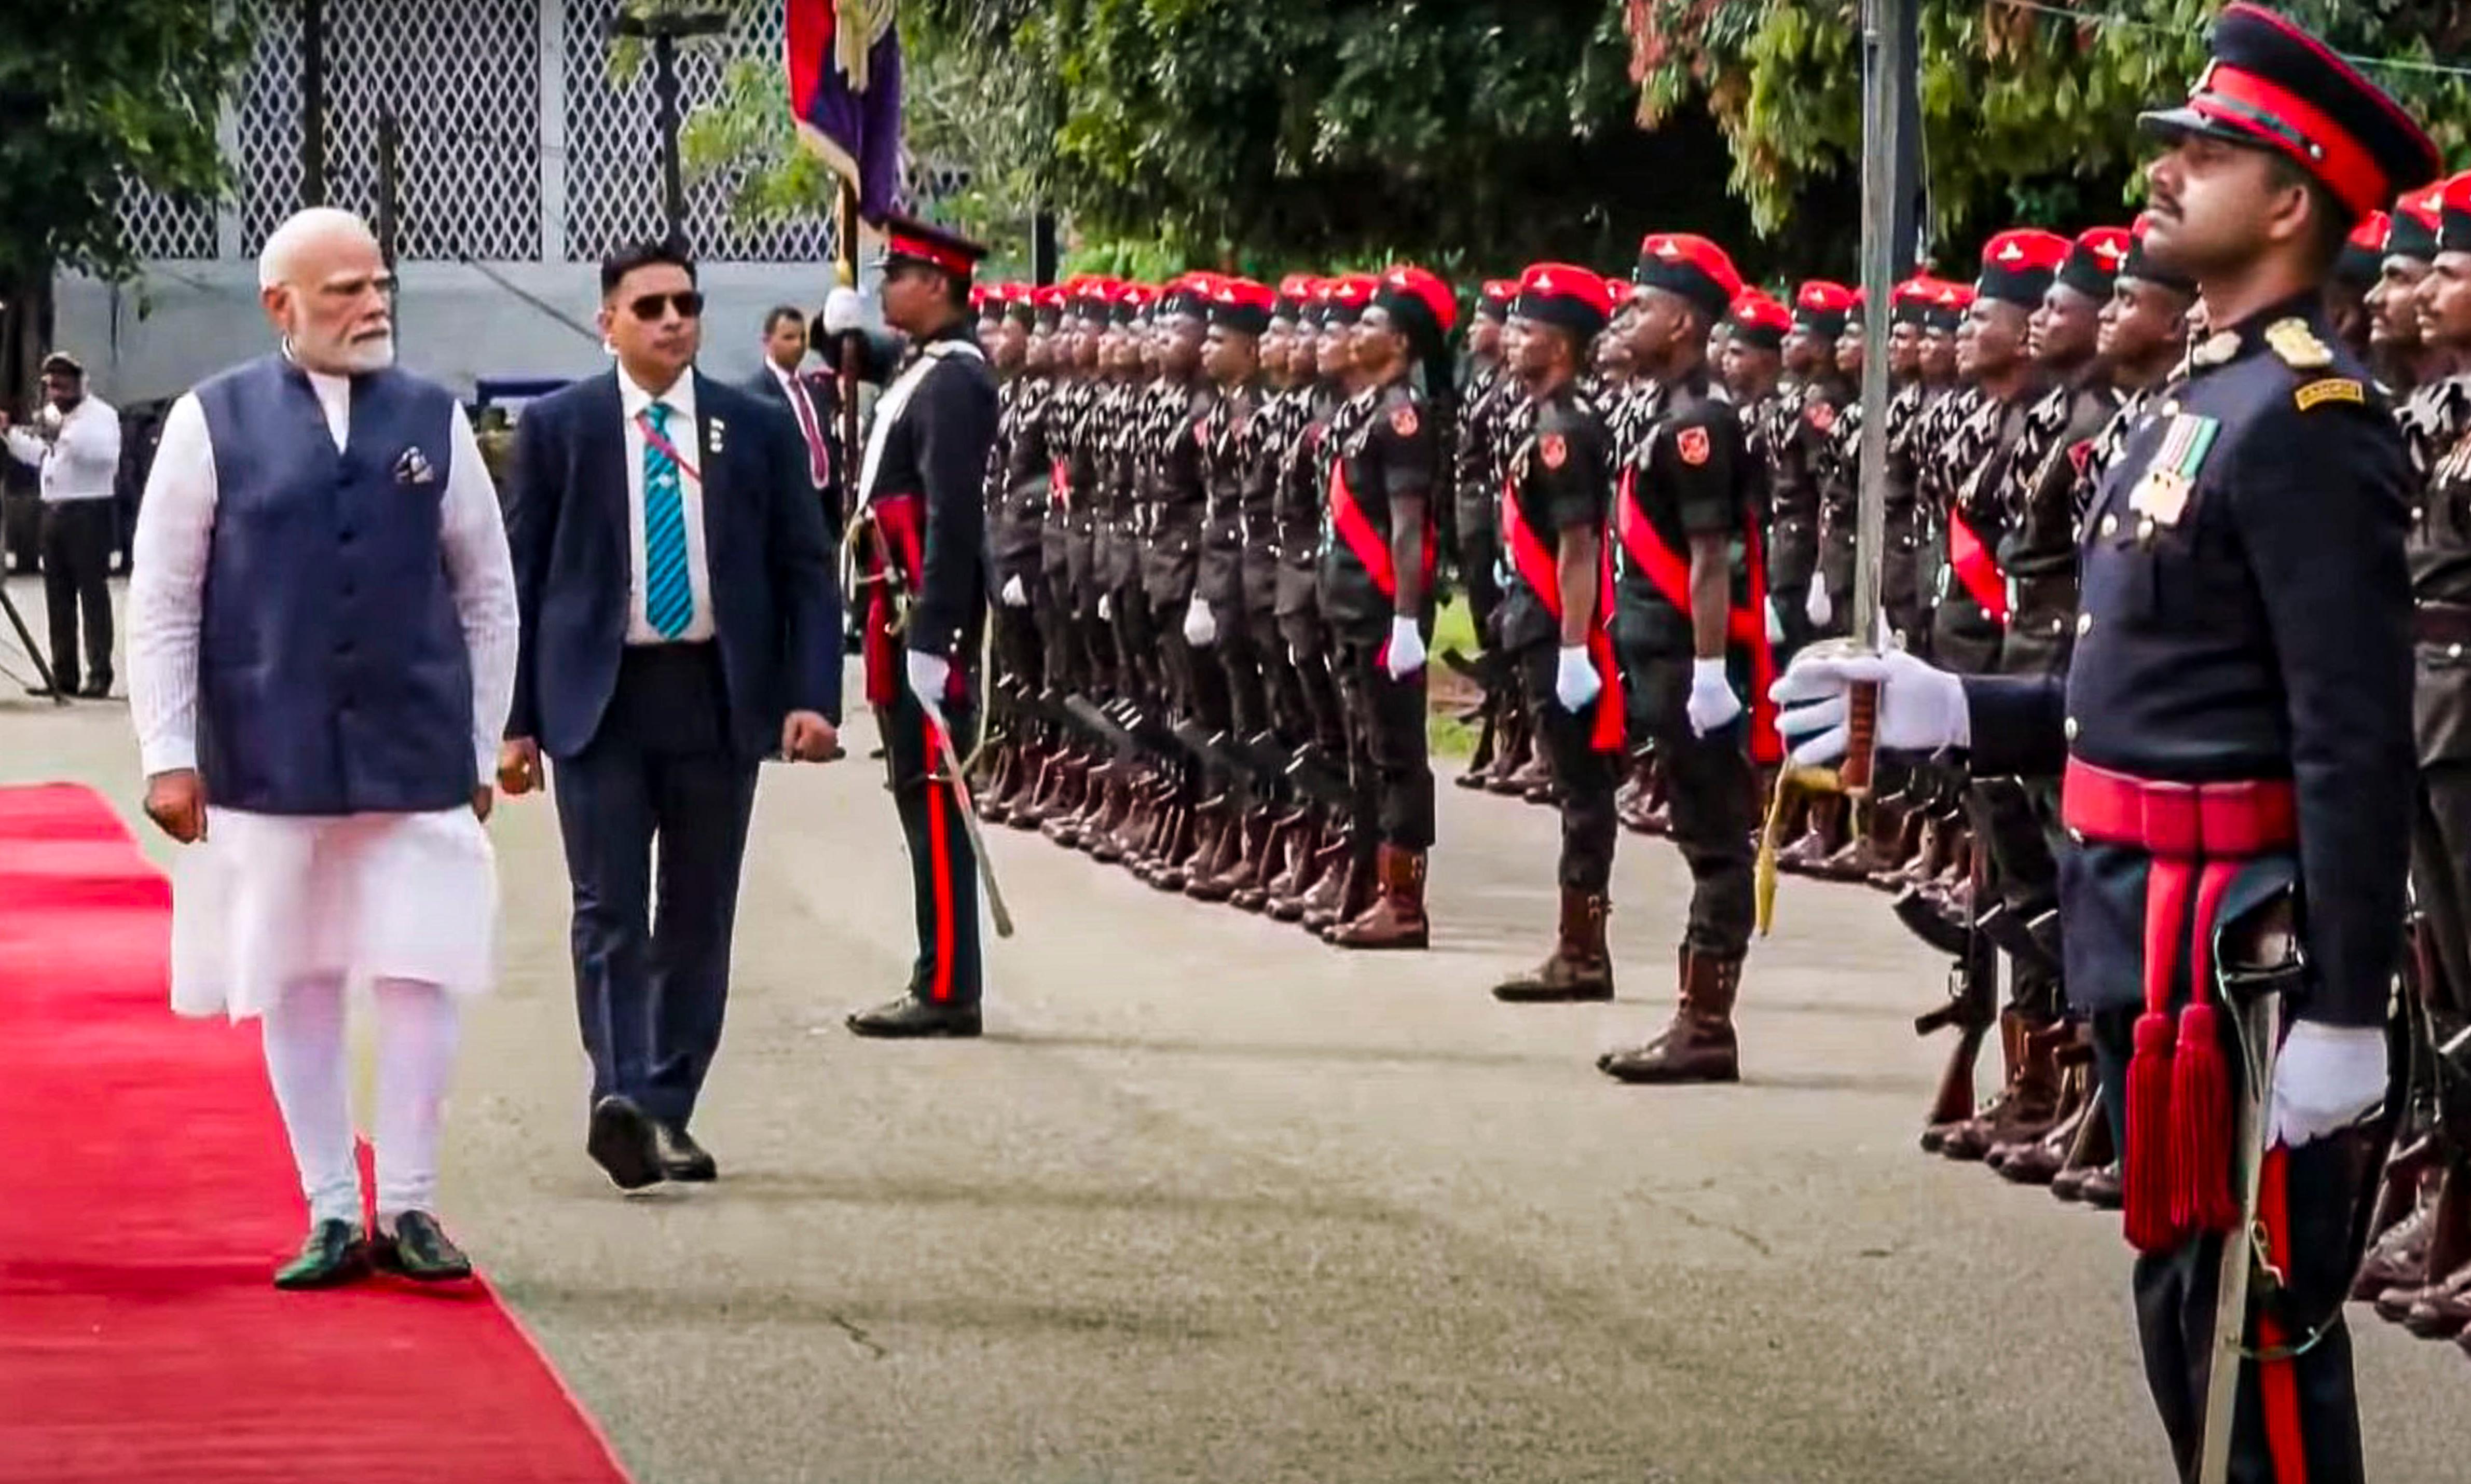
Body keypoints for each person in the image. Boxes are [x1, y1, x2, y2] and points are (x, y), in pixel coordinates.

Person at [1774, 7, 2436, 1474]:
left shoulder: (2312, 416)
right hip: (2145, 932)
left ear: (2289, 198)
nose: (2168, 171)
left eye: (2211, 151)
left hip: (2243, 965)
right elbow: (2117, 695)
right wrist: (1951, 707)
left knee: (2254, 1347)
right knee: (2182, 1314)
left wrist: (2340, 1005)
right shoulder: (2191, 402)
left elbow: (2348, 733)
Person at [126, 206, 516, 1287]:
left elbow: (488, 593)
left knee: (418, 966)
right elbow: (163, 595)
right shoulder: (213, 421)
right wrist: (167, 746)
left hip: (415, 741)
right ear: (279, 304)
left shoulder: (433, 419)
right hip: (266, 745)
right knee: (291, 973)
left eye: (378, 282)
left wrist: (480, 743)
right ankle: (332, 1208)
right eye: (342, 288)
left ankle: (414, 1201)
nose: (370, 303)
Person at [499, 240, 843, 1189]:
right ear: (607, 320)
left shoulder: (753, 429)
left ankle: (666, 1104)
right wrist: (513, 718)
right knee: (607, 909)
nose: (670, 321)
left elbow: (804, 572)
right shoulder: (561, 430)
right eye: (647, 307)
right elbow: (519, 582)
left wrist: (812, 697)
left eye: (684, 304)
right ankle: (621, 1094)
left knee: (696, 913)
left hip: (714, 698)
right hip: (596, 703)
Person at [1593, 236, 1776, 1084]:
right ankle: (1697, 1013)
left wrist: (1710, 672)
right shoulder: (1664, 410)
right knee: (1696, 832)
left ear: (1684, 320)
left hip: (1687, 658)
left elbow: (1711, 556)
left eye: (1642, 305)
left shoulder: (1701, 422)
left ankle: (1706, 1023)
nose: (1627, 315)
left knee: (1714, 842)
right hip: (1659, 654)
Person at [836, 215, 1002, 1039]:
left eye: (895, 273)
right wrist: (849, 344)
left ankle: (947, 986)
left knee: (935, 799)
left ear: (936, 284)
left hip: (920, 615)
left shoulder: (957, 381)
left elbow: (951, 518)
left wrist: (936, 635)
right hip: (890, 606)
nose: (883, 285)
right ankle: (937, 968)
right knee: (914, 792)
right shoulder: (925, 367)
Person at [1488, 263, 1623, 1001]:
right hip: (1535, 622)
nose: (1512, 340)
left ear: (1563, 348)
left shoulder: (1565, 430)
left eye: (1527, 329)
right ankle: (1578, 942)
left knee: (1582, 794)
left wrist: (1574, 647)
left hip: (1558, 629)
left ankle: (1583, 951)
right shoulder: (1541, 420)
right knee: (1573, 790)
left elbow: (1579, 544)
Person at [1318, 265, 1454, 950]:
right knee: (1365, 753)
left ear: (1400, 345)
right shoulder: (1365, 411)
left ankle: (1404, 902)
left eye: (1370, 324)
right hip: (1351, 607)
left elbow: (1409, 526)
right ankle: (1371, 882)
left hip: (1381, 611)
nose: (1354, 332)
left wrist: (1406, 620)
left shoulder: (1402, 417)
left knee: (1398, 754)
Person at [5, 353, 121, 698]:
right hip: (53, 509)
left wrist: (64, 437)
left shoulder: (101, 416)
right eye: (51, 385)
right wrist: (10, 436)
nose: (56, 392)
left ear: (79, 383)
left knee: (92, 594)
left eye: (63, 384)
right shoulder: (53, 418)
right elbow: (42, 457)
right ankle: (63, 673)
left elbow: (105, 456)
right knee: (58, 596)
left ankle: (99, 673)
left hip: (88, 509)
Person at [745, 304, 842, 518]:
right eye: (788, 338)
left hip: (825, 507)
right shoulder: (755, 395)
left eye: (802, 337)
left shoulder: (815, 389)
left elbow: (824, 442)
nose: (798, 345)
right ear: (767, 342)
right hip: (785, 510)